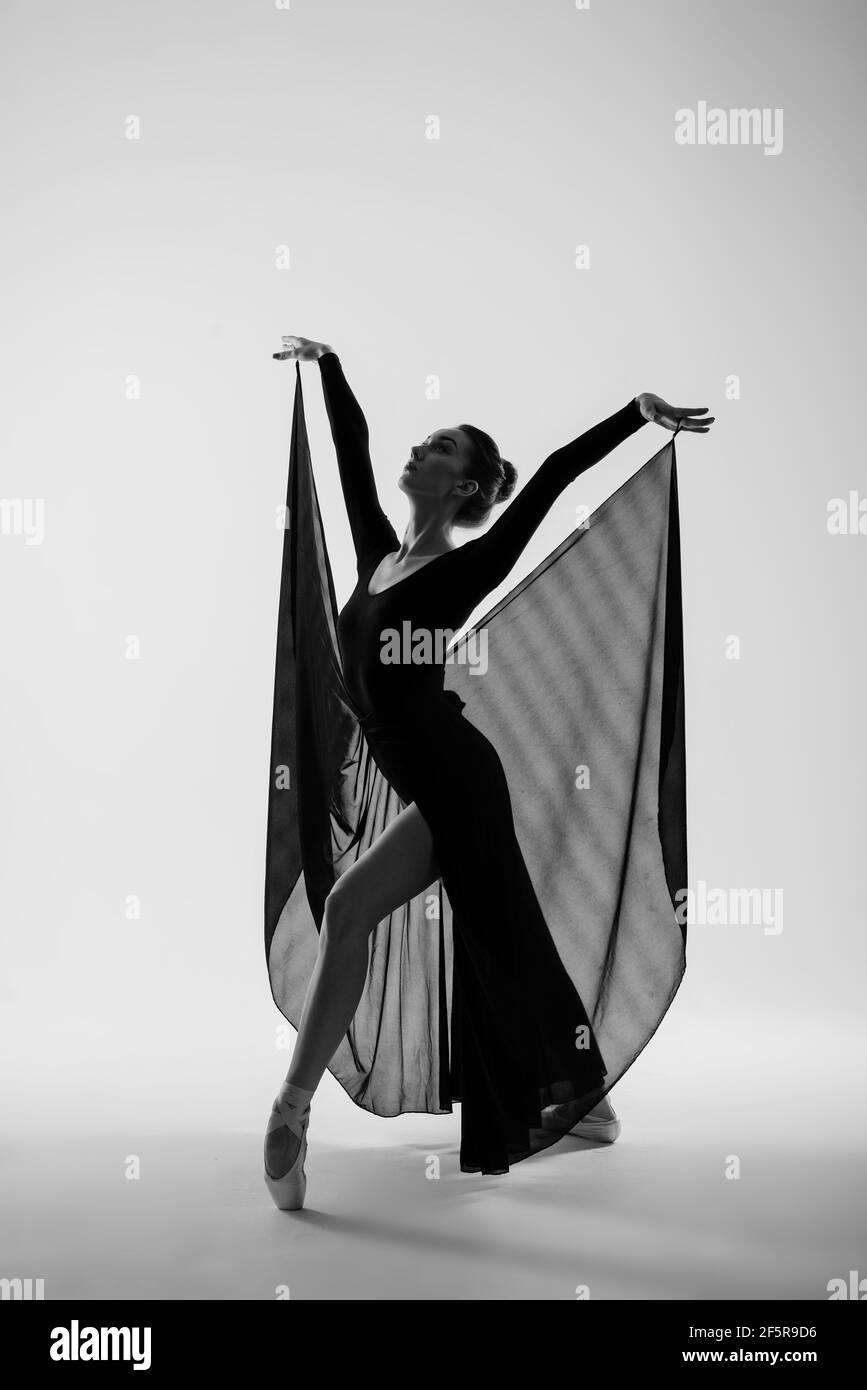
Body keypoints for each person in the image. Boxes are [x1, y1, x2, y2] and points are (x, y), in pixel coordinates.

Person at [265, 334, 713, 1209]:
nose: (417, 450)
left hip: (458, 781)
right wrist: (330, 366)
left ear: (463, 484)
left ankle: (288, 1113)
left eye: (438, 448)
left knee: (359, 908)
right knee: (506, 939)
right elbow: (351, 449)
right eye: (425, 440)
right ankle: (584, 1094)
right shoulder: (377, 554)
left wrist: (635, 415)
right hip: (430, 774)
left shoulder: (464, 569)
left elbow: (547, 475)